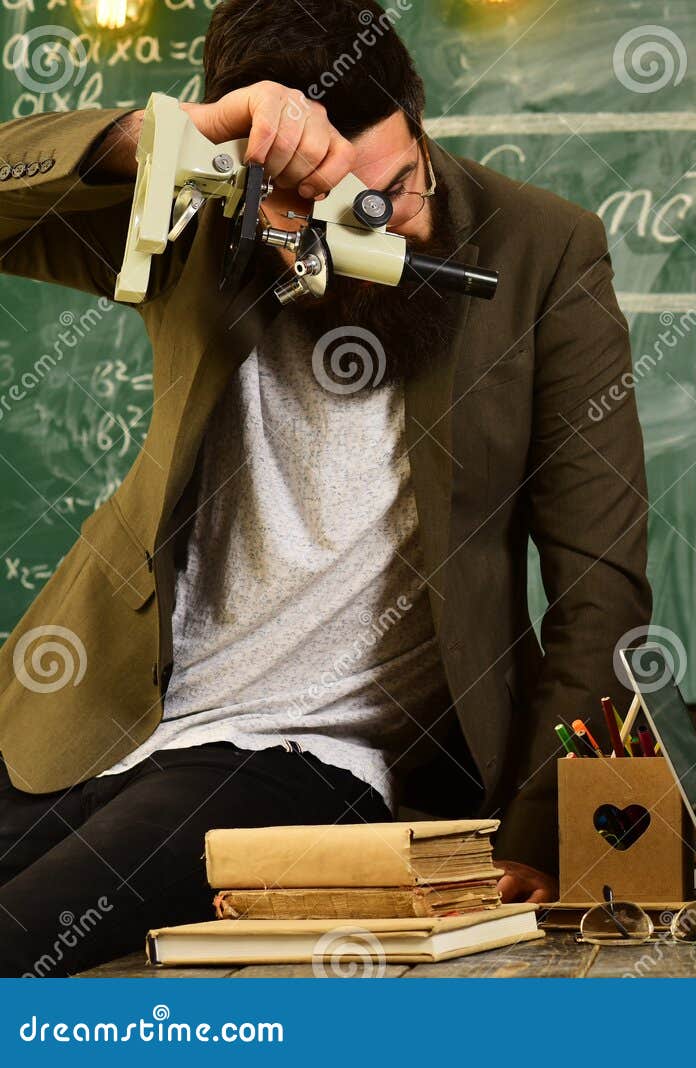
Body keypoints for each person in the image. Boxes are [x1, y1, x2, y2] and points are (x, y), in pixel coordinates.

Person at [0, 0, 650, 975]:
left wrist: (533, 832)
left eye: (396, 188)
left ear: (418, 124)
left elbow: (600, 585)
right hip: (98, 705)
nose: (385, 225)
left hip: (308, 763)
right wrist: (161, 135)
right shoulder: (197, 212)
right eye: (326, 205)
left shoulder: (541, 252)